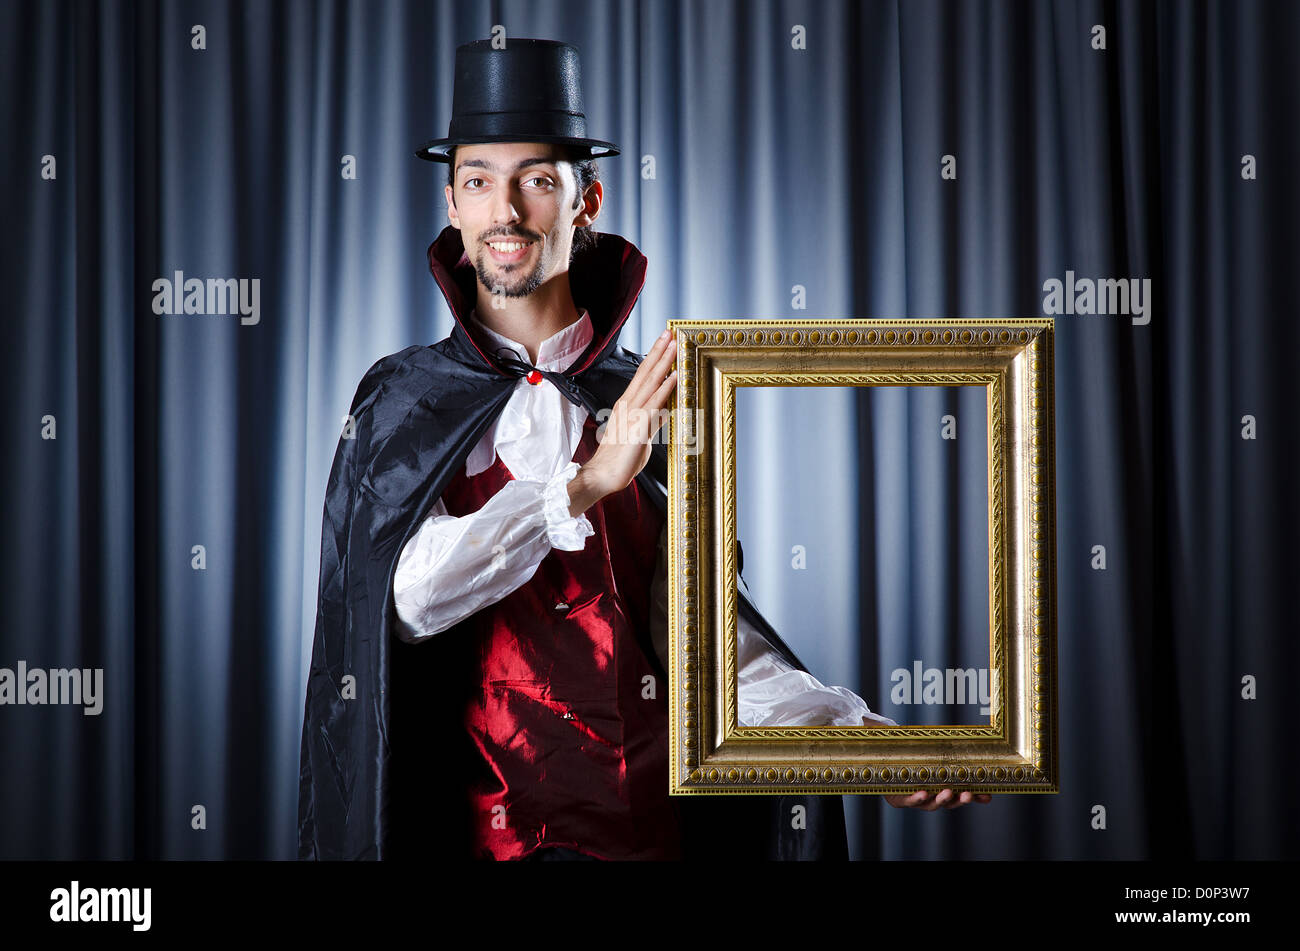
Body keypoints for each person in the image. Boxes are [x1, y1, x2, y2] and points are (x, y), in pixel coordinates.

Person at [297, 37, 987, 863]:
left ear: (587, 200)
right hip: (476, 836)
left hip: (650, 833)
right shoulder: (402, 398)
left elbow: (706, 644)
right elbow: (398, 605)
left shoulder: (661, 393)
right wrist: (582, 485)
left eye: (538, 181)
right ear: (452, 203)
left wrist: (861, 740)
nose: (505, 211)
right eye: (479, 180)